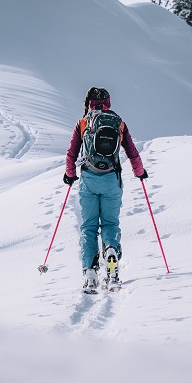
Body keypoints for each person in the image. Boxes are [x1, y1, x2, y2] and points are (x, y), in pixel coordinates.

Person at [63, 87, 148, 290]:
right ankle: (110, 251)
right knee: (110, 223)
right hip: (112, 180)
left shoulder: (83, 123)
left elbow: (71, 154)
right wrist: (139, 172)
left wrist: (70, 175)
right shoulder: (119, 122)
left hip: (89, 180)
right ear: (108, 102)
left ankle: (90, 271)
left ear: (89, 103)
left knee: (89, 227)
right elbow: (132, 152)